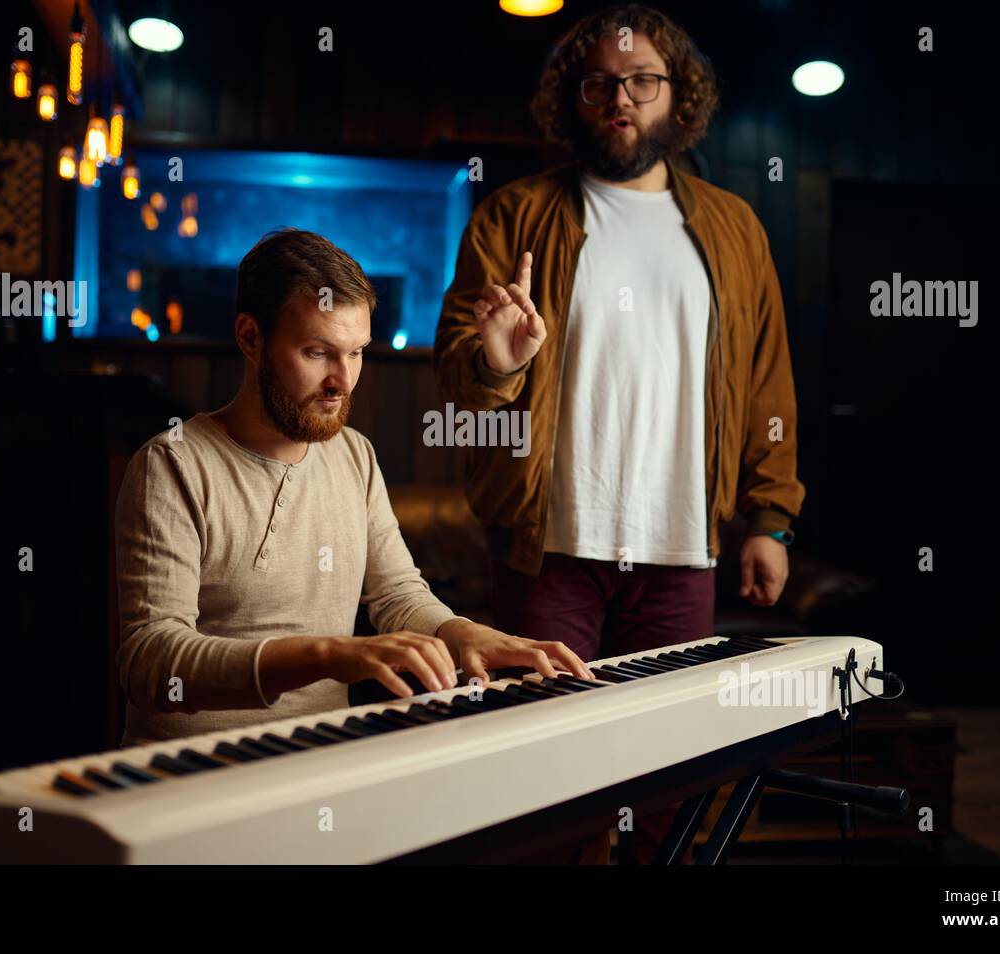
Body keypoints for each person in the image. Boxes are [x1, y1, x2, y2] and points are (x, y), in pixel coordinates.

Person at [433, 4, 805, 863]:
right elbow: (459, 378)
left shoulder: (735, 229)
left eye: (642, 81)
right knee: (542, 778)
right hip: (550, 547)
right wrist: (495, 363)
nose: (620, 98)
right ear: (575, 97)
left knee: (669, 780)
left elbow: (767, 386)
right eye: (600, 82)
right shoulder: (512, 217)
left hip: (680, 553)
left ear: (679, 96)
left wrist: (771, 519)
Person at [115, 228, 591, 746]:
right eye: (318, 352)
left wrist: (462, 633)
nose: (343, 381)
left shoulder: (354, 455)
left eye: (357, 352)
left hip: (319, 760)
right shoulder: (173, 462)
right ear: (251, 338)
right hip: (190, 770)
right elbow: (152, 661)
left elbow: (398, 595)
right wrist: (329, 653)